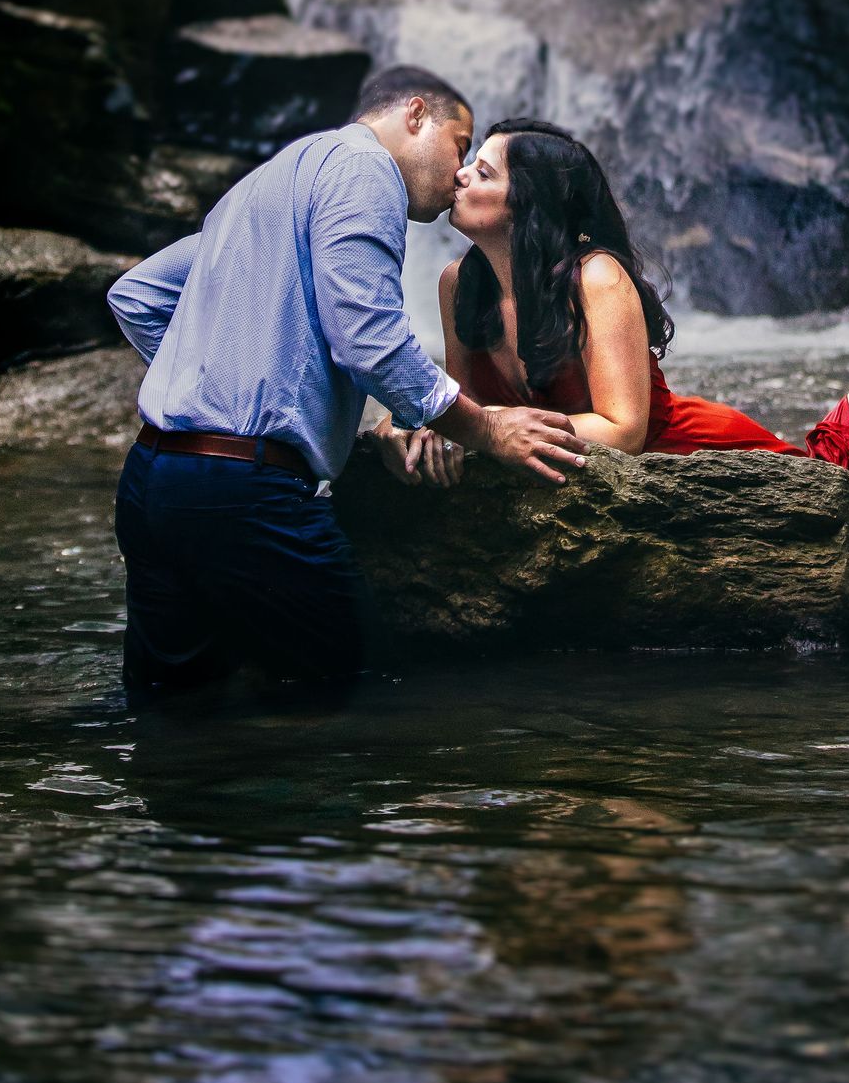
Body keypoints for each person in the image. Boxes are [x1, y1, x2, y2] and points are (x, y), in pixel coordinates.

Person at [105, 69, 588, 708]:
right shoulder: (365, 173)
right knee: (353, 694)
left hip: (153, 479)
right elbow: (368, 339)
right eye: (458, 143)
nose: (457, 173)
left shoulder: (270, 182)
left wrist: (220, 373)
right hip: (243, 489)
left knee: (178, 707)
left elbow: (136, 296)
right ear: (415, 115)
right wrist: (485, 429)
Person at [407, 117, 849, 521]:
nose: (459, 175)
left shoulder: (596, 278)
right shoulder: (458, 283)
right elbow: (461, 403)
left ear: (528, 207)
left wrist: (477, 423)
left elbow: (622, 431)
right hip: (608, 480)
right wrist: (419, 423)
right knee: (837, 481)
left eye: (483, 173)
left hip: (694, 456)